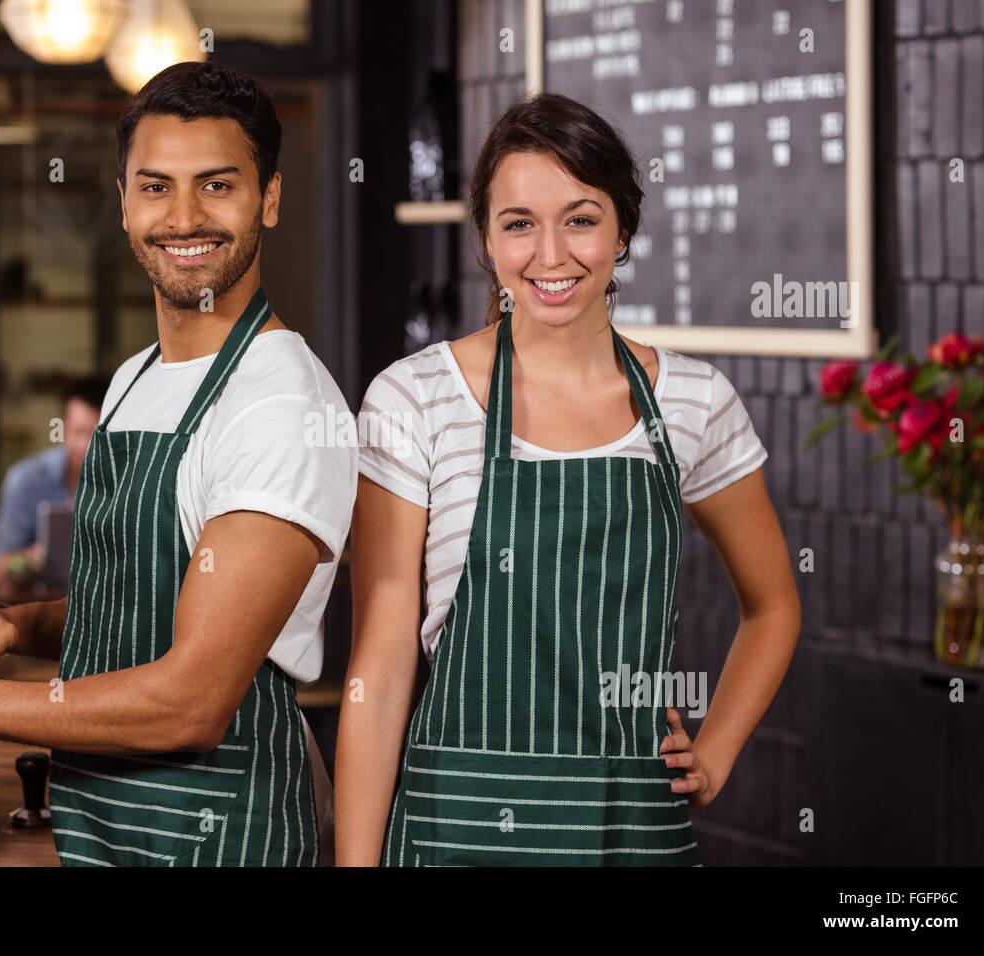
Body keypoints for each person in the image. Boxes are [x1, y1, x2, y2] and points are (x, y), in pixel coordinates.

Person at [0, 61, 357, 868]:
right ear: (124, 202)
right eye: (155, 186)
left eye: (217, 185)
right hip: (101, 822)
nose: (183, 216)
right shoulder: (135, 379)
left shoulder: (281, 401)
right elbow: (138, 600)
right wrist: (16, 625)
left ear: (268, 199)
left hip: (215, 834)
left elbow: (191, 703)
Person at [335, 94, 801, 866]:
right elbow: (379, 675)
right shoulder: (413, 398)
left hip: (633, 832)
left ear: (623, 230)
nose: (551, 255)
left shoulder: (693, 401)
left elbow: (774, 604)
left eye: (581, 218)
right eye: (519, 223)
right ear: (486, 237)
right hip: (460, 828)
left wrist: (713, 751)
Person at [0, 375, 108, 588]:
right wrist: (28, 560)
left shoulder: (129, 479)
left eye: (98, 435)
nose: (87, 445)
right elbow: (1, 564)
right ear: (62, 429)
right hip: (43, 600)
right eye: (78, 432)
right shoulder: (27, 479)